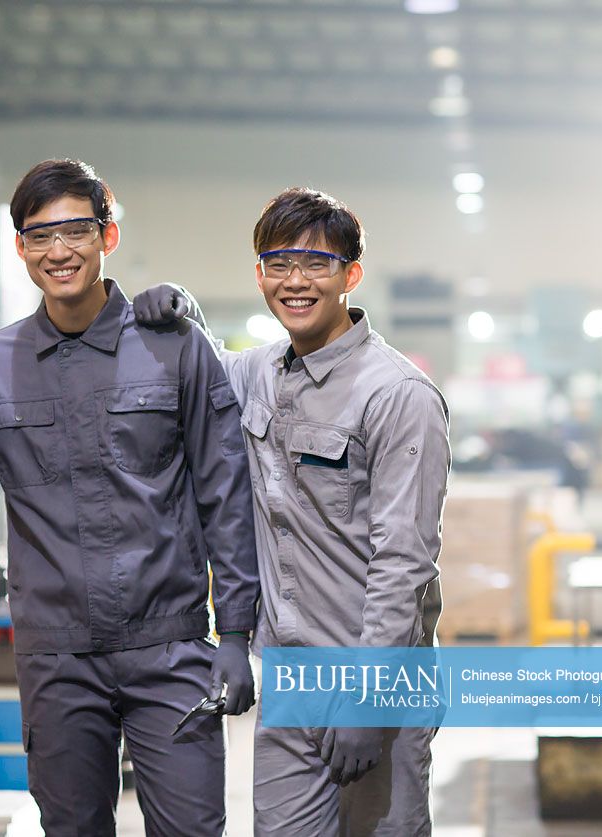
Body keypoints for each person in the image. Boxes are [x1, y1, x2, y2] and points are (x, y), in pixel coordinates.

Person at [0, 159, 260, 836]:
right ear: (20, 248)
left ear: (107, 236)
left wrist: (236, 633)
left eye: (75, 230)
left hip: (170, 648)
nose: (59, 251)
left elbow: (224, 490)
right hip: (55, 656)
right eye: (40, 235)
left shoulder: (173, 347)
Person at [133, 186, 450, 836]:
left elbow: (402, 562)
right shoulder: (257, 375)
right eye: (278, 264)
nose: (294, 281)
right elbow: (197, 372)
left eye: (315, 264)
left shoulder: (396, 395)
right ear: (258, 275)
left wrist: (367, 702)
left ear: (349, 275)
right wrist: (179, 309)